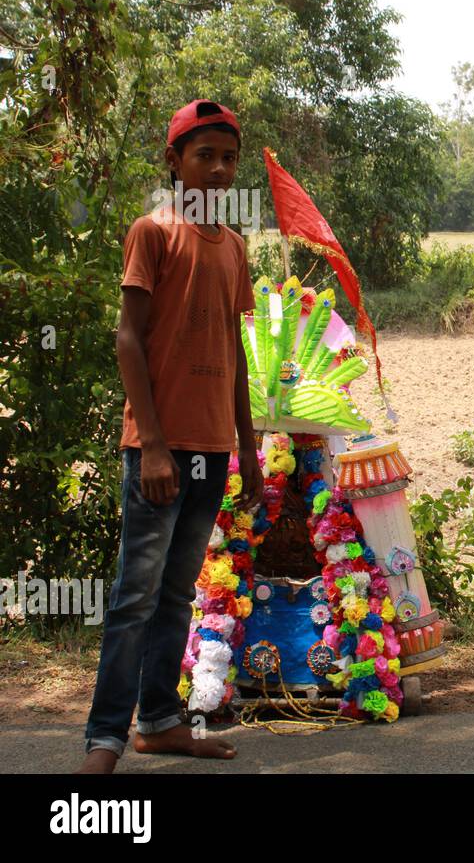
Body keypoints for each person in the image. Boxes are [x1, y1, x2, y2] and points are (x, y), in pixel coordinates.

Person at [79, 100, 262, 773]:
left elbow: (236, 354)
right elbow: (129, 337)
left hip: (213, 450)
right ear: (175, 162)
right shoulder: (152, 233)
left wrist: (246, 444)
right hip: (159, 449)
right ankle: (104, 740)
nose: (218, 169)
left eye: (229, 157)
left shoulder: (235, 247)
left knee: (178, 594)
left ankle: (159, 721)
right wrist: (152, 443)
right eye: (204, 155)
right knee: (135, 597)